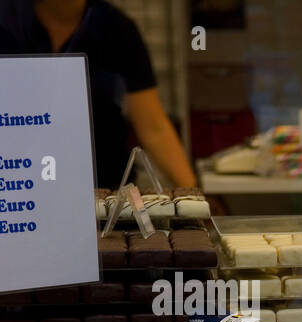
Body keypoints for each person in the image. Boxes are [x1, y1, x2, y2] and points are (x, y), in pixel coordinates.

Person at [0, 0, 197, 188]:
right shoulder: (7, 21)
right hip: (20, 189)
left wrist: (195, 195)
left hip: (105, 193)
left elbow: (154, 127)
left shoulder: (116, 28)